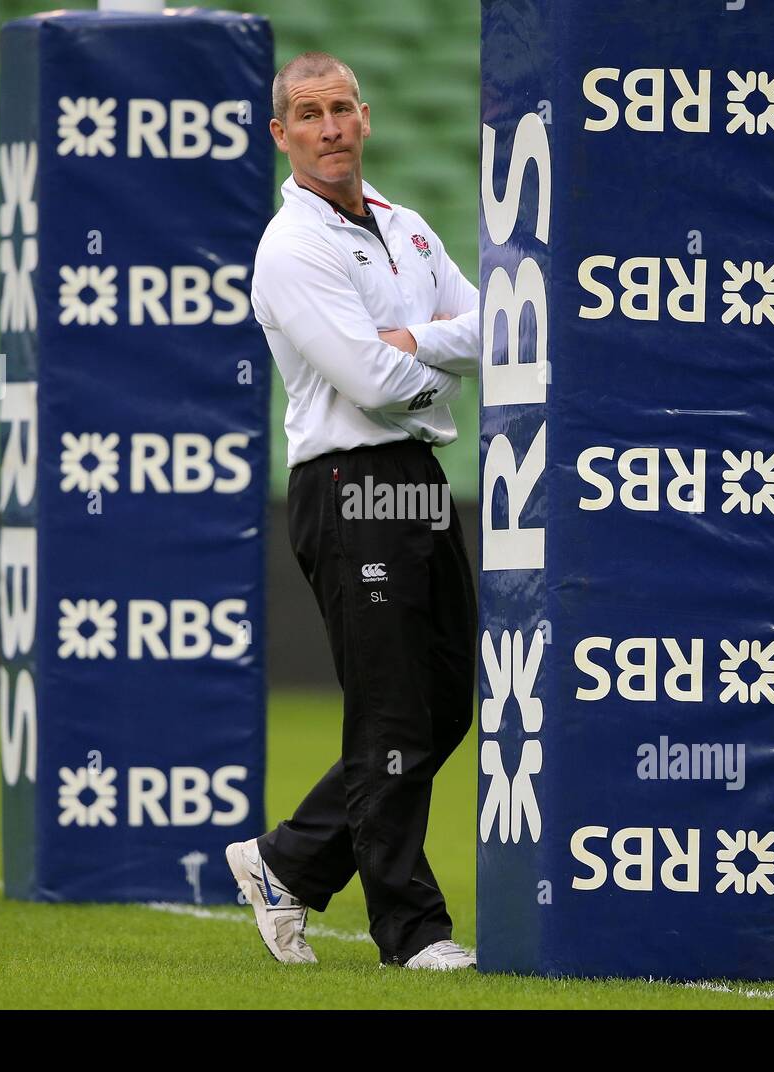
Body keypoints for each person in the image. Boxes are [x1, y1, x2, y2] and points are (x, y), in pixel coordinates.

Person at [225, 51, 480, 971]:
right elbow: (368, 382)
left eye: (341, 109)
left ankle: (286, 859)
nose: (329, 127)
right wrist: (431, 365)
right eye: (309, 113)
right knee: (390, 712)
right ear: (281, 135)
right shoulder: (289, 247)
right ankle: (412, 931)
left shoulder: (407, 228)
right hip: (348, 486)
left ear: (364, 119)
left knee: (449, 699)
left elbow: (495, 325)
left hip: (417, 475)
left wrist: (418, 340)